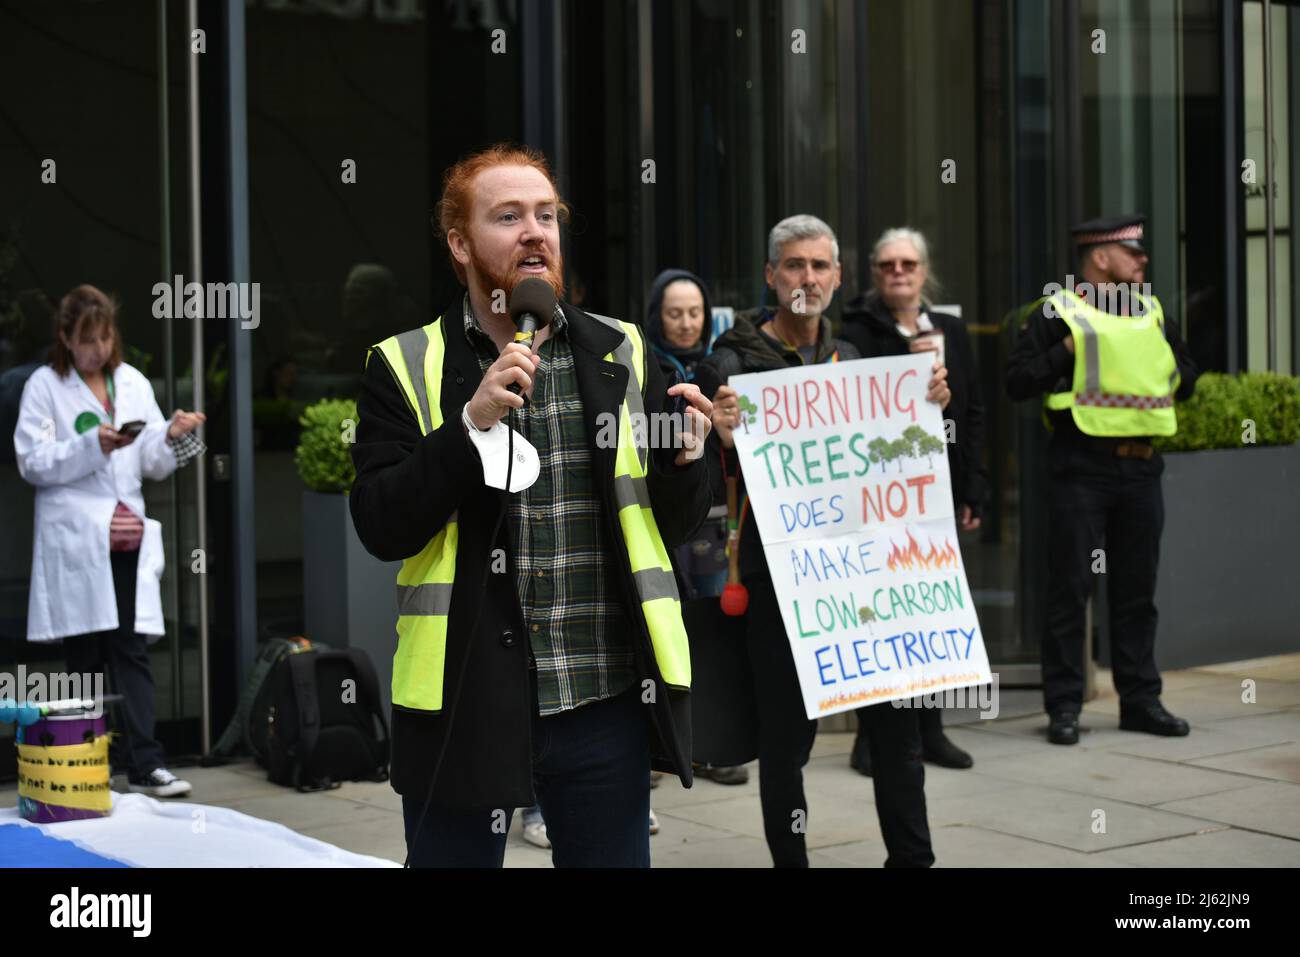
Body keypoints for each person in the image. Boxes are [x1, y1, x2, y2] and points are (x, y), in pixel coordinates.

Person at [349, 144, 714, 868]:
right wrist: (469, 427)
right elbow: (381, 523)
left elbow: (661, 525)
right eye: (508, 215)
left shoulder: (622, 350)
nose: (535, 232)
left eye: (546, 215)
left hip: (602, 699)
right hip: (465, 702)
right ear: (460, 243)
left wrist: (689, 462)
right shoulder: (403, 362)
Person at [696, 215, 951, 868]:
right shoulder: (727, 361)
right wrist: (713, 439)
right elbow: (683, 470)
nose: (806, 278)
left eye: (818, 266)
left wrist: (924, 414)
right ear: (770, 276)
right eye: (793, 265)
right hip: (776, 583)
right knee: (786, 743)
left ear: (837, 278)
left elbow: (885, 464)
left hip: (863, 580)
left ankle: (913, 860)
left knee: (896, 730)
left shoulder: (855, 361)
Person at [1005, 215, 1198, 746]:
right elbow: (1017, 381)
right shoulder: (1059, 311)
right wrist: (1065, 351)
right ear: (1099, 257)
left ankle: (1140, 700)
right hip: (1081, 467)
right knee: (1071, 590)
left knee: (1138, 590)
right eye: (1132, 251)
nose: (1143, 260)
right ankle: (1065, 706)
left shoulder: (1152, 312)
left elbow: (1187, 378)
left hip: (1141, 469)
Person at [13, 284, 206, 797]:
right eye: (87, 339)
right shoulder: (44, 387)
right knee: (85, 653)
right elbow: (32, 462)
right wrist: (90, 445)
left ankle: (146, 762)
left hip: (128, 539)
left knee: (132, 648)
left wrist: (171, 436)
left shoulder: (132, 382)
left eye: (104, 336)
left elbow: (150, 465)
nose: (98, 348)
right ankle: (89, 764)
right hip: (78, 543)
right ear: (65, 339)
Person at [838, 227, 989, 775]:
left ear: (924, 271)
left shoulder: (950, 328)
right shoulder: (855, 330)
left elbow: (972, 411)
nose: (898, 272)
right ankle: (869, 739)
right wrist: (907, 360)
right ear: (874, 275)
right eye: (886, 265)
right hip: (879, 497)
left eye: (908, 264)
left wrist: (974, 487)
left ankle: (932, 731)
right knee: (880, 616)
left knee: (932, 611)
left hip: (937, 493)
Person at [645, 269, 749, 788]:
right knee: (667, 632)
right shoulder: (645, 369)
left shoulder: (721, 368)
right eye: (674, 313)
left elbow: (733, 451)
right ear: (656, 317)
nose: (686, 323)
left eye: (694, 313)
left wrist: (726, 436)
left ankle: (707, 743)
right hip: (667, 526)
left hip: (715, 525)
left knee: (709, 635)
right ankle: (661, 743)